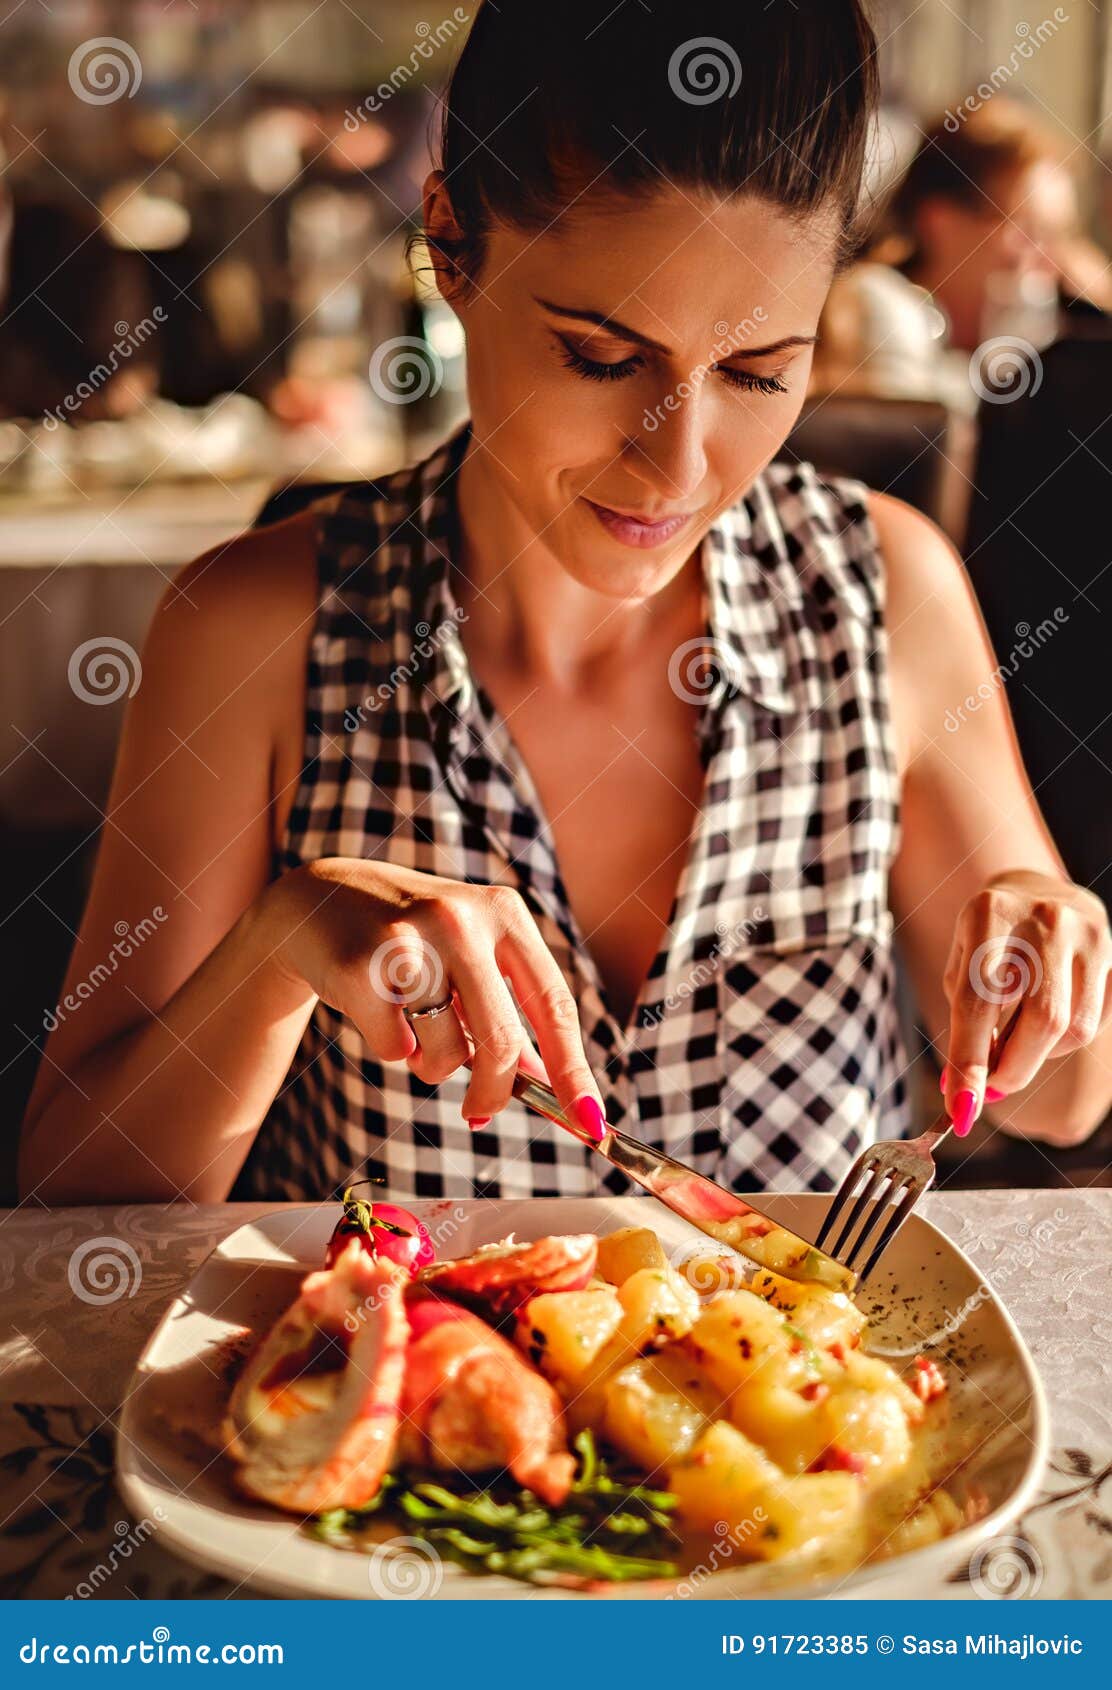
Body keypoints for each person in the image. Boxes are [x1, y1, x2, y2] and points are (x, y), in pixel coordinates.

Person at [20, 1, 1112, 1207]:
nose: (676, 463)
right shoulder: (255, 629)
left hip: (809, 1388)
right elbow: (70, 1199)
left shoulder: (884, 594)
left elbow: (1066, 1100)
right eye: (602, 358)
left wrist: (1052, 966)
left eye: (757, 372)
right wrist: (279, 950)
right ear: (449, 246)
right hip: (418, 1388)